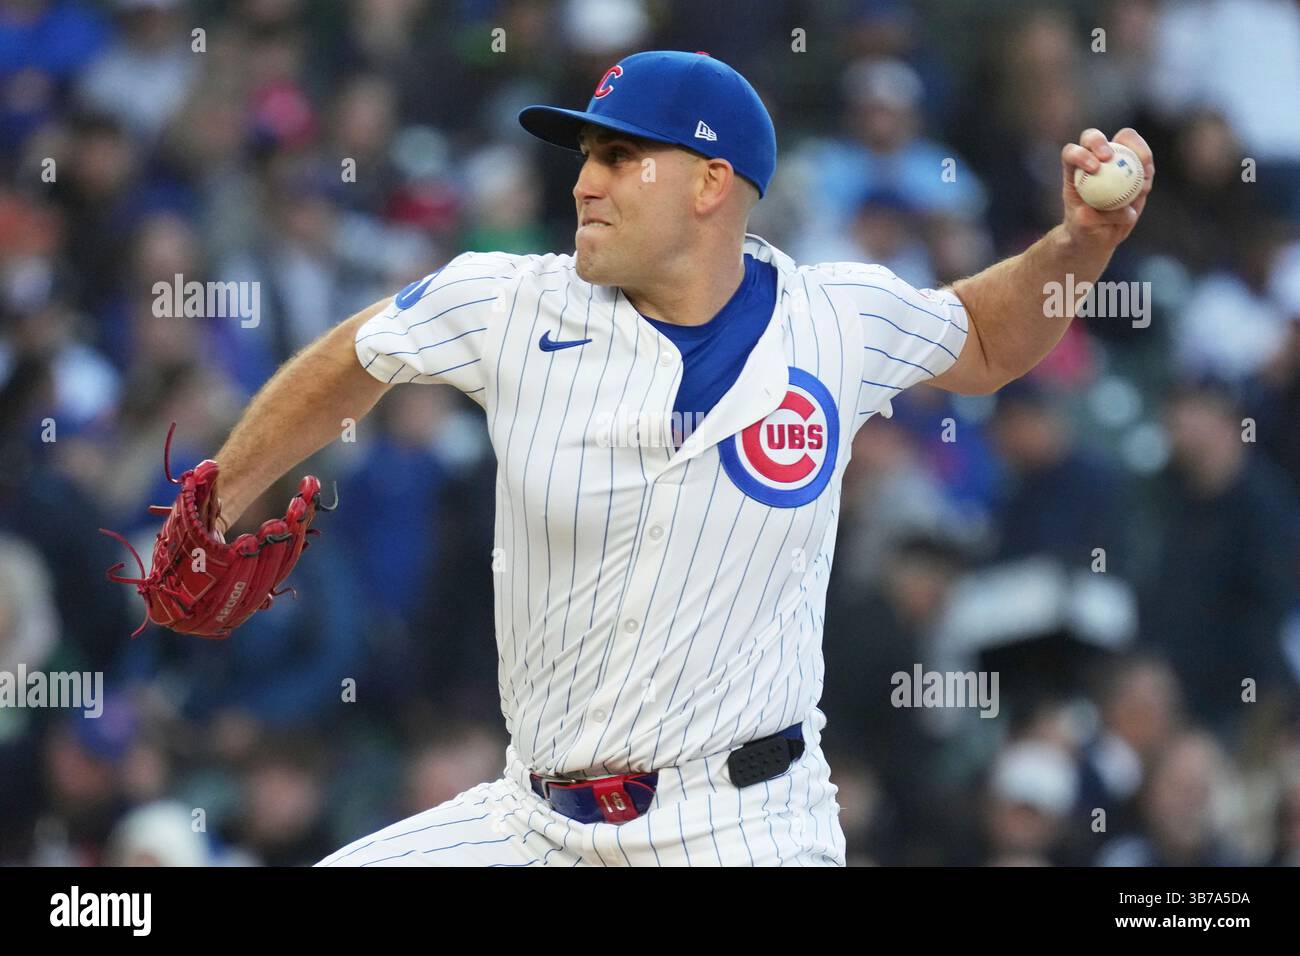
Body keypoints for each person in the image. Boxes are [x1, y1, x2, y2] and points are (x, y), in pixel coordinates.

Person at [190, 50, 1153, 866]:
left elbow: (988, 340)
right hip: (532, 821)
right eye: (584, 157)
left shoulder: (835, 321)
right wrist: (217, 498)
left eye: (619, 155)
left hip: (746, 823)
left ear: (709, 182)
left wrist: (1081, 240)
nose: (583, 181)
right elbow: (354, 359)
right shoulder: (512, 303)